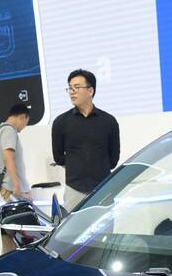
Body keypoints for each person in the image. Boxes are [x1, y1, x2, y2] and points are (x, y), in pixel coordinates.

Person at [51, 69, 120, 211]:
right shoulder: (61, 122)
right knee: (73, 225)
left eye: (77, 87)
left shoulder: (109, 121)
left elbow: (113, 159)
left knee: (105, 224)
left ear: (90, 91)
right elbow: (58, 157)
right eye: (70, 88)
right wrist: (76, 166)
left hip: (103, 187)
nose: (72, 92)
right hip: (74, 189)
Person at [0, 102, 32, 202]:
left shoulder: (2, 129)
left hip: (10, 187)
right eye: (26, 123)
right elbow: (8, 158)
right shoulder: (9, 130)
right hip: (13, 189)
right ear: (22, 117)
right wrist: (17, 185)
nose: (24, 126)